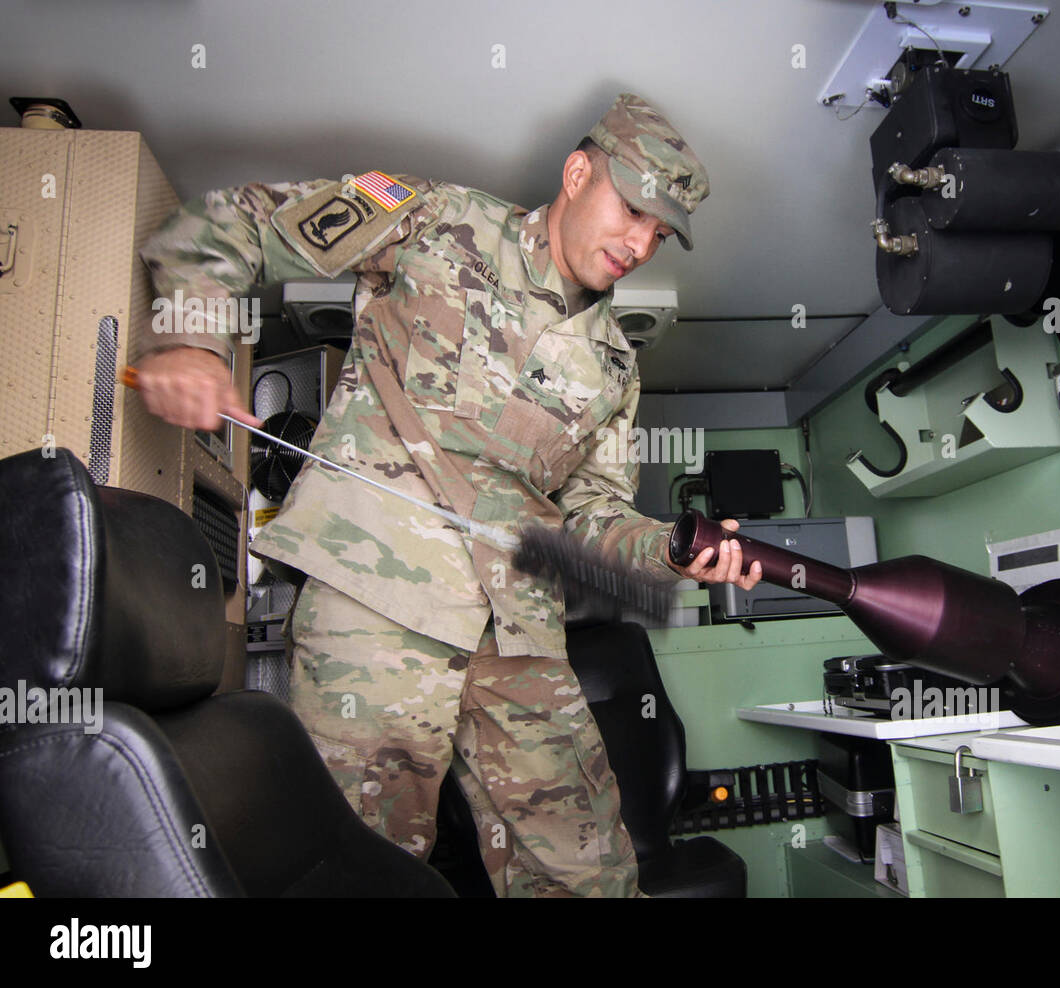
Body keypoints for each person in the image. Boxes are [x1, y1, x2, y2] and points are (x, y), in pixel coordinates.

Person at [134, 93, 761, 897]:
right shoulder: (433, 217)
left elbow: (591, 517)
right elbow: (236, 221)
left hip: (520, 637)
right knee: (365, 869)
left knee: (591, 871)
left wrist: (675, 553)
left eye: (661, 232)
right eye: (633, 208)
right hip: (379, 605)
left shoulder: (614, 365)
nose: (642, 243)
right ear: (577, 173)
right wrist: (192, 338)